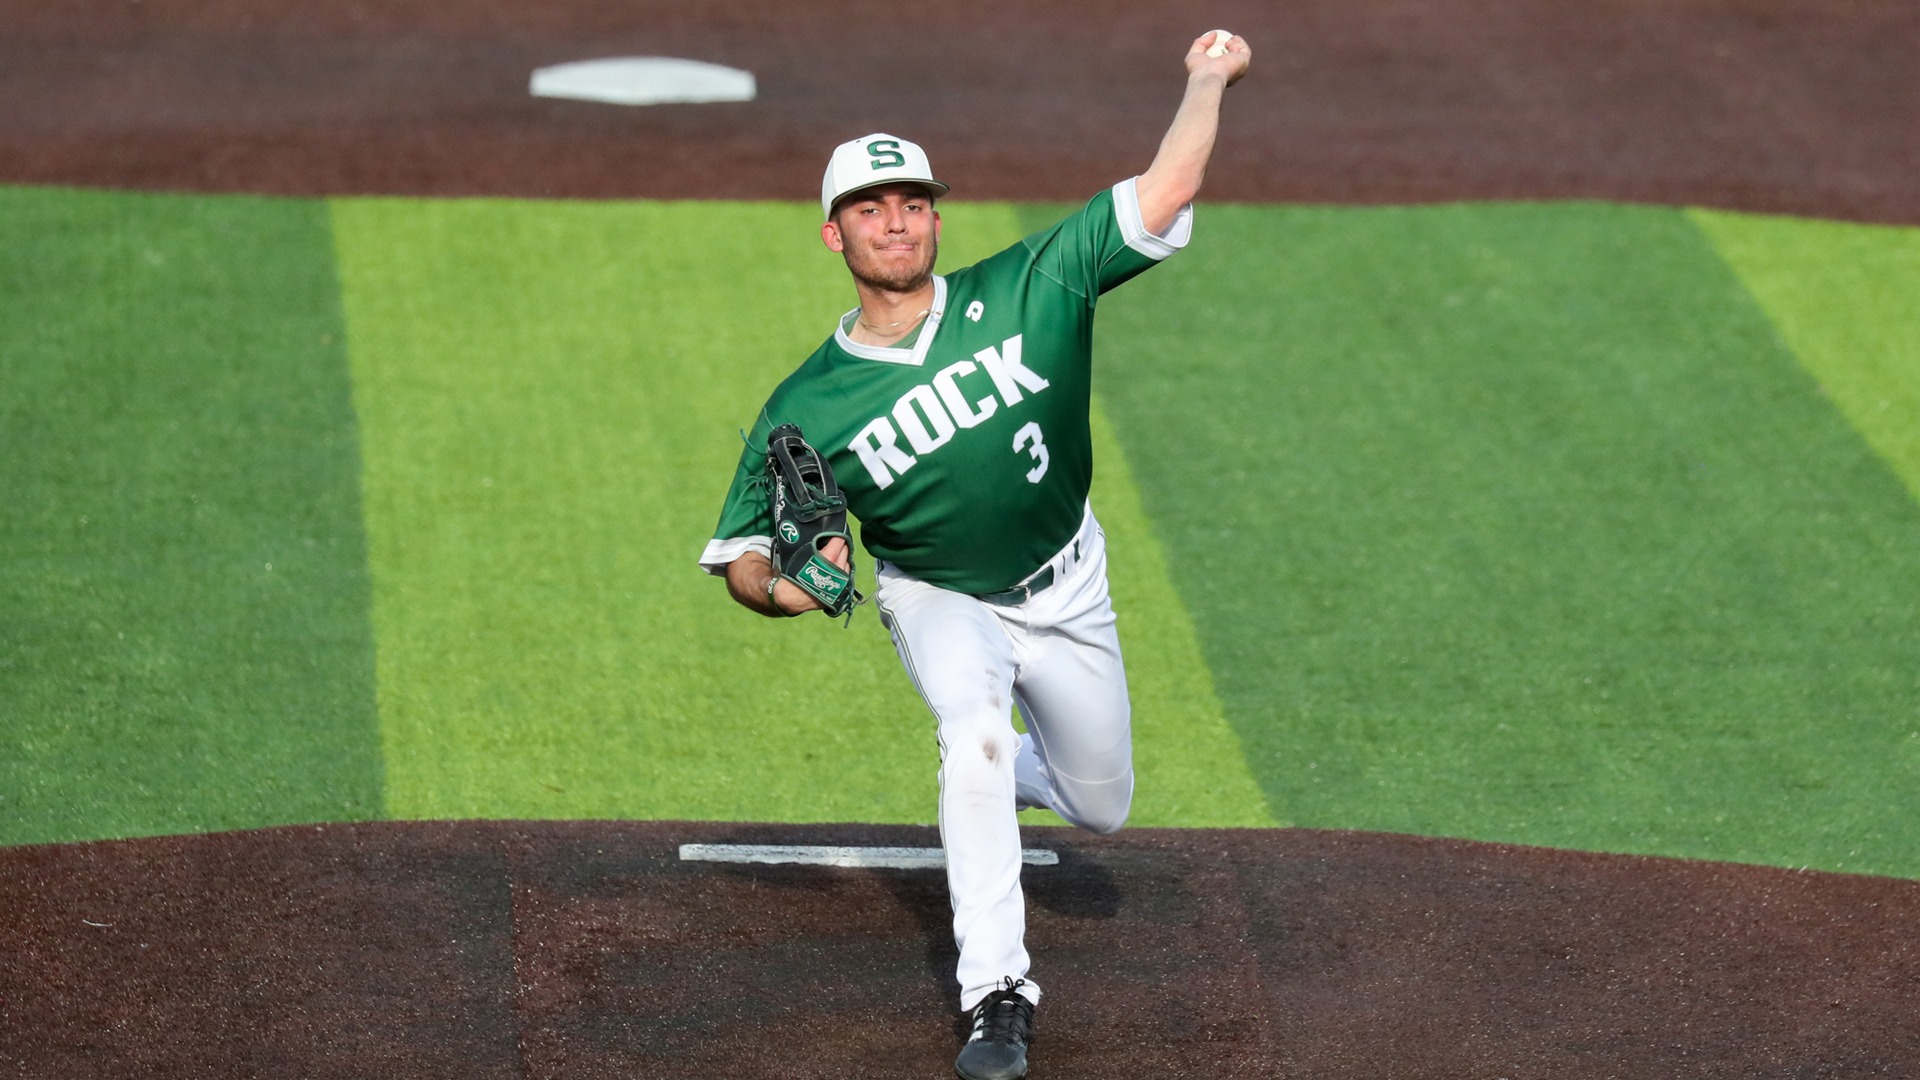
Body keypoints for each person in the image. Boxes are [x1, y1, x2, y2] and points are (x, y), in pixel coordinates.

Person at [698, 31, 1251, 1080]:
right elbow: (741, 560)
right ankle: (996, 991)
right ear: (834, 235)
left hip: (1068, 580)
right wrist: (788, 596)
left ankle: (987, 779)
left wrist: (1206, 78)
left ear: (937, 217)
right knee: (976, 733)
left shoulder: (1035, 282)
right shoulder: (806, 404)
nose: (894, 219)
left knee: (1103, 805)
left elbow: (1166, 188)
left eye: (911, 201)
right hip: (939, 595)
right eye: (871, 206)